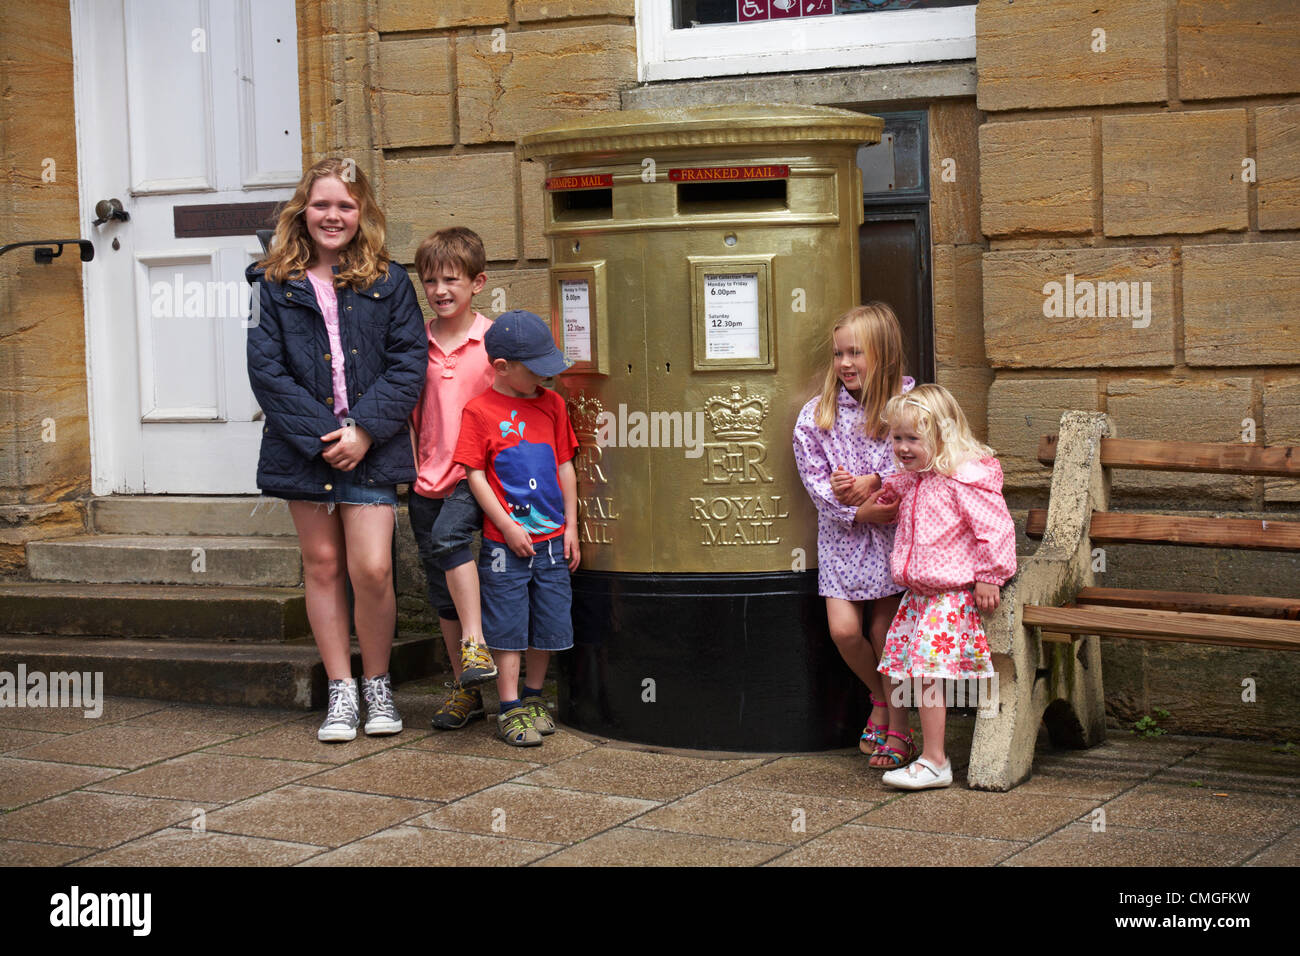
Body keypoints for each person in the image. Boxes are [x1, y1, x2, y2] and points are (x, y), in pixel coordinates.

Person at [246, 158, 425, 743]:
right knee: (323, 566)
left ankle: (378, 683)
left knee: (371, 569)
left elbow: (408, 364)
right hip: (305, 450)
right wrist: (326, 437)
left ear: (362, 213)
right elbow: (266, 370)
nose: (333, 216)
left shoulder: (390, 281)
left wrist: (365, 431)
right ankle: (341, 692)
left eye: (345, 206)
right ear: (304, 209)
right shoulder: (270, 284)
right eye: (322, 204)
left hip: (370, 448)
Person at [874, 383, 1017, 789]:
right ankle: (929, 756)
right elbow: (895, 486)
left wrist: (990, 575)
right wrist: (871, 486)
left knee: (925, 673)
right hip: (919, 598)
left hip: (948, 597)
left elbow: (995, 528)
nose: (901, 447)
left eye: (912, 438)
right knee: (915, 674)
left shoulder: (962, 481)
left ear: (941, 436)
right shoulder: (917, 479)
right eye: (897, 437)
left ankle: (935, 760)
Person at [793, 303, 916, 768]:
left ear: (882, 355)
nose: (844, 364)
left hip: (893, 539)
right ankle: (880, 697)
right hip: (843, 538)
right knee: (845, 632)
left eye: (855, 353)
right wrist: (853, 503)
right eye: (838, 354)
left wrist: (878, 482)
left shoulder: (907, 406)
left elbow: (921, 461)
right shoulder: (817, 415)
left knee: (886, 633)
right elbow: (816, 483)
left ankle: (901, 729)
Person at [454, 310, 579, 747]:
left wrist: (572, 526)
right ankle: (509, 708)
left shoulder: (553, 405)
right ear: (502, 368)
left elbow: (565, 465)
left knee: (546, 621)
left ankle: (533, 697)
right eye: (537, 370)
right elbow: (475, 475)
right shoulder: (479, 411)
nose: (547, 378)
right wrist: (505, 526)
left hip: (551, 541)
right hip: (504, 547)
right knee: (508, 626)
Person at [407, 228, 499, 731]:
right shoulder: (414, 343)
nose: (440, 290)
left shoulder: (491, 342)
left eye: (451, 280)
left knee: (496, 578)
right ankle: (467, 689)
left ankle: (486, 656)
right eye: (430, 281)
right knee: (441, 590)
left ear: (477, 283)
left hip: (477, 479)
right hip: (427, 482)